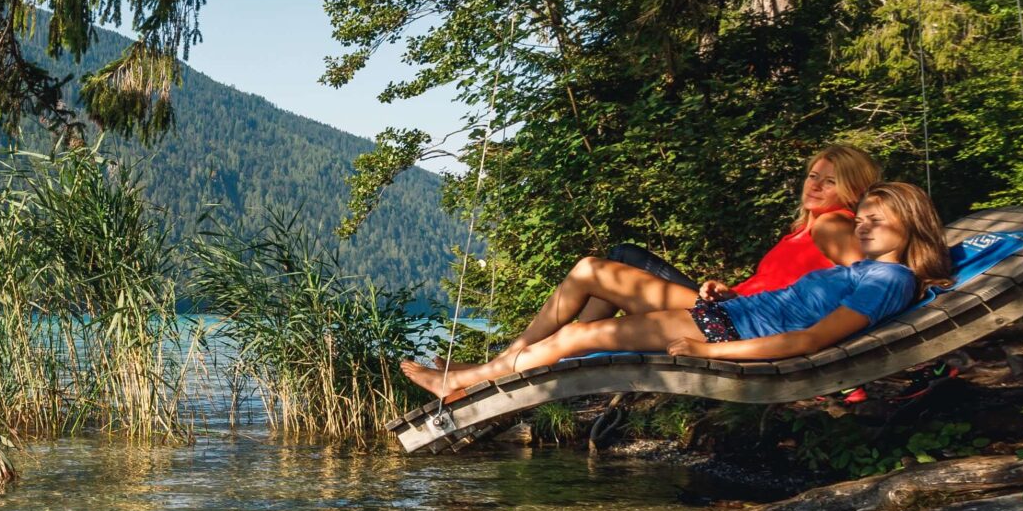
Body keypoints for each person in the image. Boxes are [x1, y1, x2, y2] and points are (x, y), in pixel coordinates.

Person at [404, 181, 953, 402]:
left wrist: (711, 351)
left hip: (728, 328)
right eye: (862, 220)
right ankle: (466, 380)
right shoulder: (878, 272)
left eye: (875, 221)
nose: (861, 227)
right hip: (731, 315)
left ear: (910, 223)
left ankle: (461, 382)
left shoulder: (890, 278)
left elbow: (807, 341)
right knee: (580, 333)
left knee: (579, 336)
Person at [496, 145, 884, 357]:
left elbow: (861, 277)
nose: (814, 186)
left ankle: (514, 356)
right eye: (812, 176)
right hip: (735, 308)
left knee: (590, 271)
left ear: (851, 189)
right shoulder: (807, 228)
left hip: (737, 323)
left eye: (829, 181)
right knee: (620, 257)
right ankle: (543, 354)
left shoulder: (834, 224)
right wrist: (731, 291)